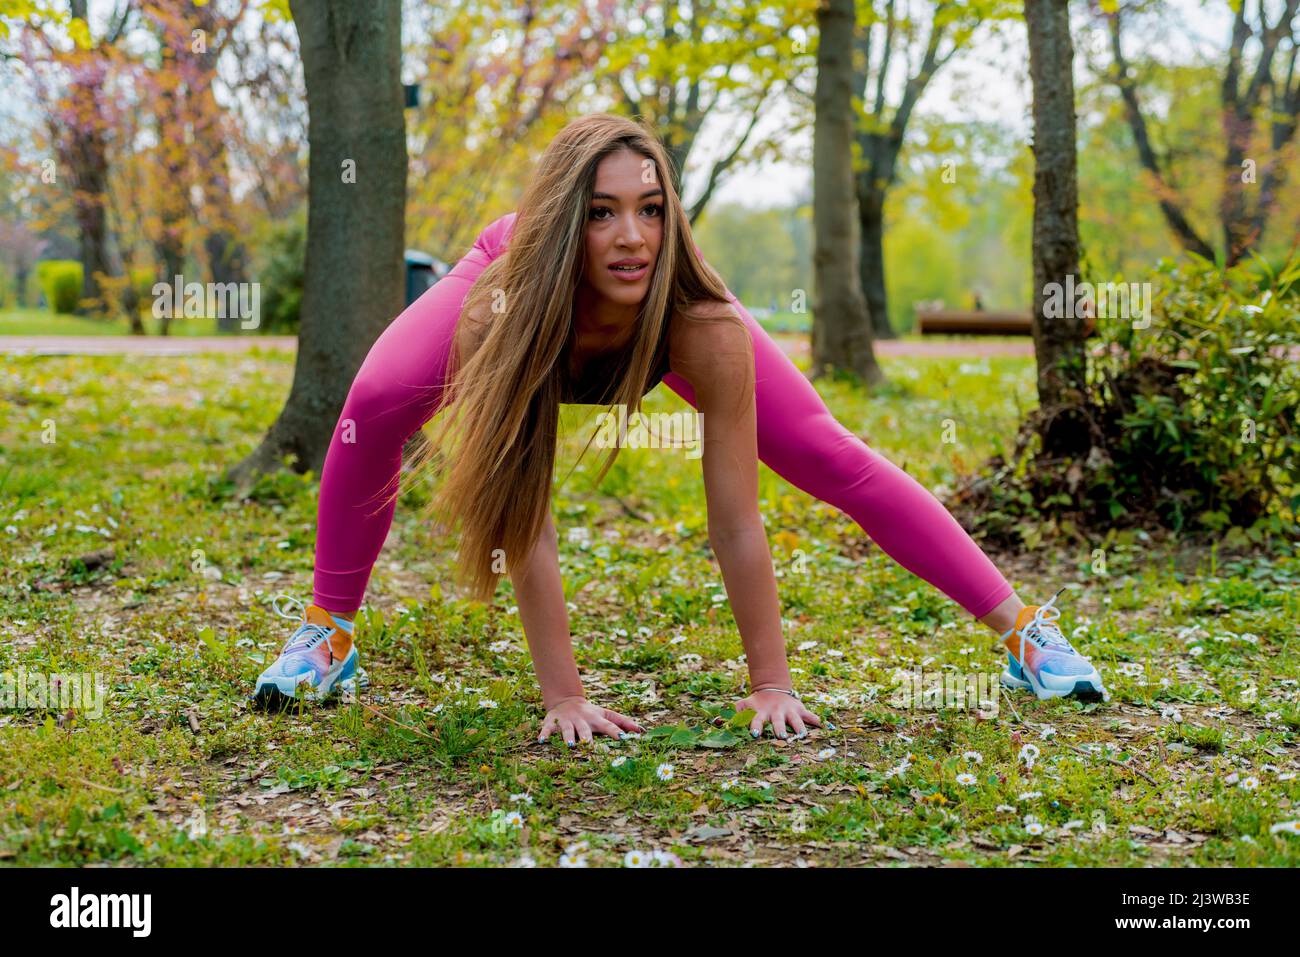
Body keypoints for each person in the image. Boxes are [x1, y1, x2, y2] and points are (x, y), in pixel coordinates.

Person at [253, 114, 1105, 742]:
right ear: (566, 222)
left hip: (665, 323)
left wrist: (770, 681)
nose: (632, 236)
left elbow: (735, 519)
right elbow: (526, 512)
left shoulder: (702, 324)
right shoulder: (503, 309)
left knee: (826, 451)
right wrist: (563, 695)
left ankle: (1025, 632)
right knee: (372, 405)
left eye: (651, 209)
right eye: (602, 212)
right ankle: (329, 633)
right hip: (526, 292)